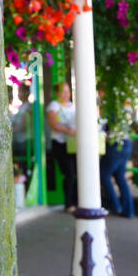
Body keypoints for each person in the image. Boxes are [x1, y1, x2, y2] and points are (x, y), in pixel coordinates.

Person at [46, 81, 77, 210]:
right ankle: (68, 203)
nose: (66, 94)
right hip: (59, 143)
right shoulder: (54, 106)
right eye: (63, 92)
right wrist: (67, 131)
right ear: (57, 93)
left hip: (72, 144)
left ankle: (75, 200)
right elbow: (53, 124)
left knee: (75, 172)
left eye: (68, 92)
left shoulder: (72, 105)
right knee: (69, 172)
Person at [100, 134, 135, 218]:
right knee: (120, 177)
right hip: (126, 144)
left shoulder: (108, 121)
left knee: (104, 175)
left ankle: (115, 206)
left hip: (115, 145)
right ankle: (128, 210)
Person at [11, 82, 35, 176]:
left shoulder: (28, 108)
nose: (18, 94)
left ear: (26, 93)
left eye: (20, 91)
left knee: (22, 166)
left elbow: (24, 125)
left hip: (25, 142)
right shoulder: (22, 107)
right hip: (21, 140)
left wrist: (12, 130)